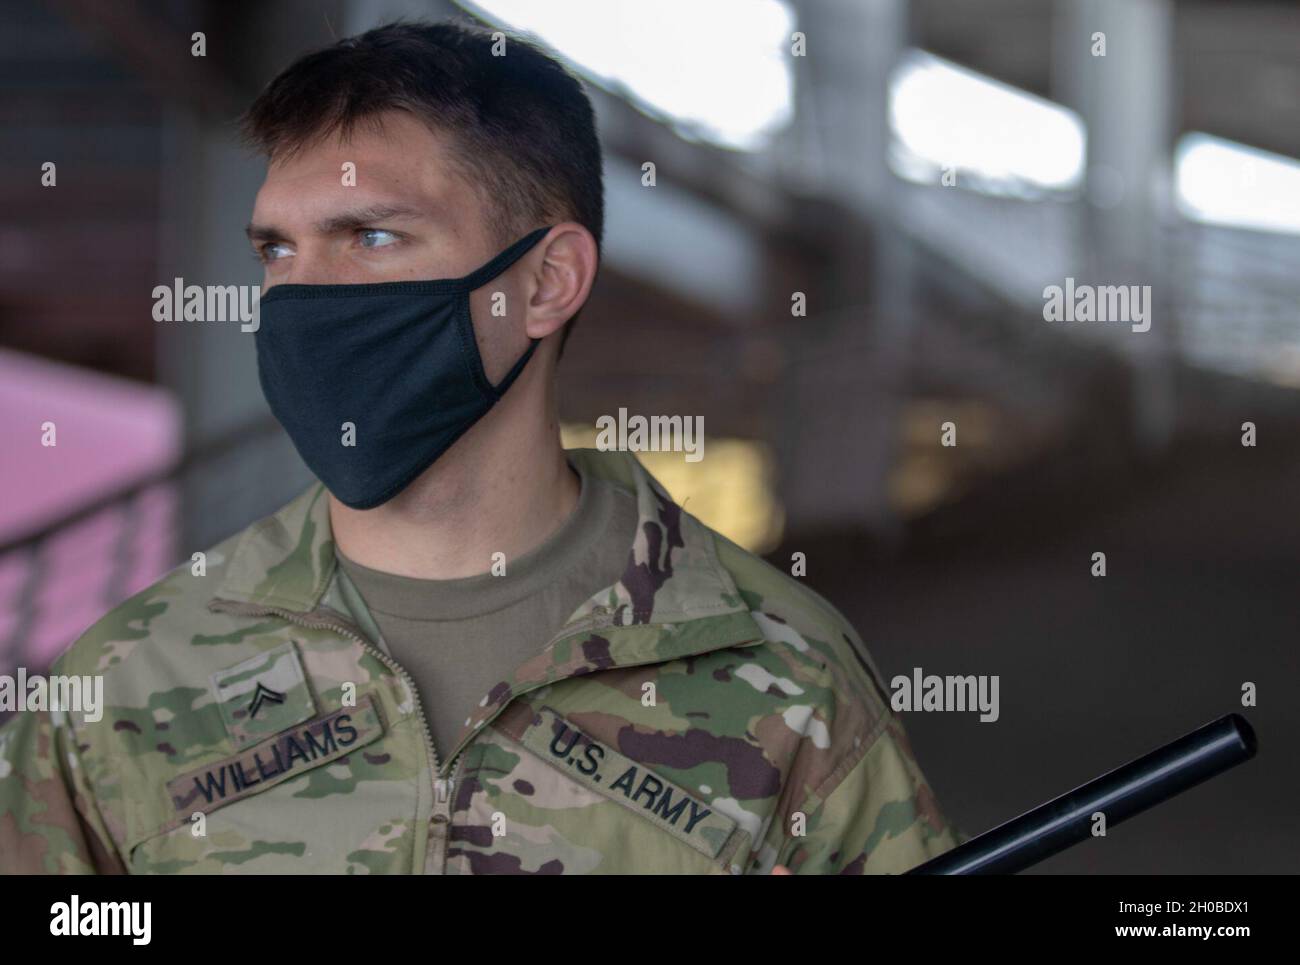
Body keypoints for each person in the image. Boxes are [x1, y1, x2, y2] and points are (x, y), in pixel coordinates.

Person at [0, 20, 957, 874]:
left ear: (547, 283)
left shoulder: (790, 674)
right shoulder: (128, 677)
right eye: (276, 251)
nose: (299, 296)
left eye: (369, 236)